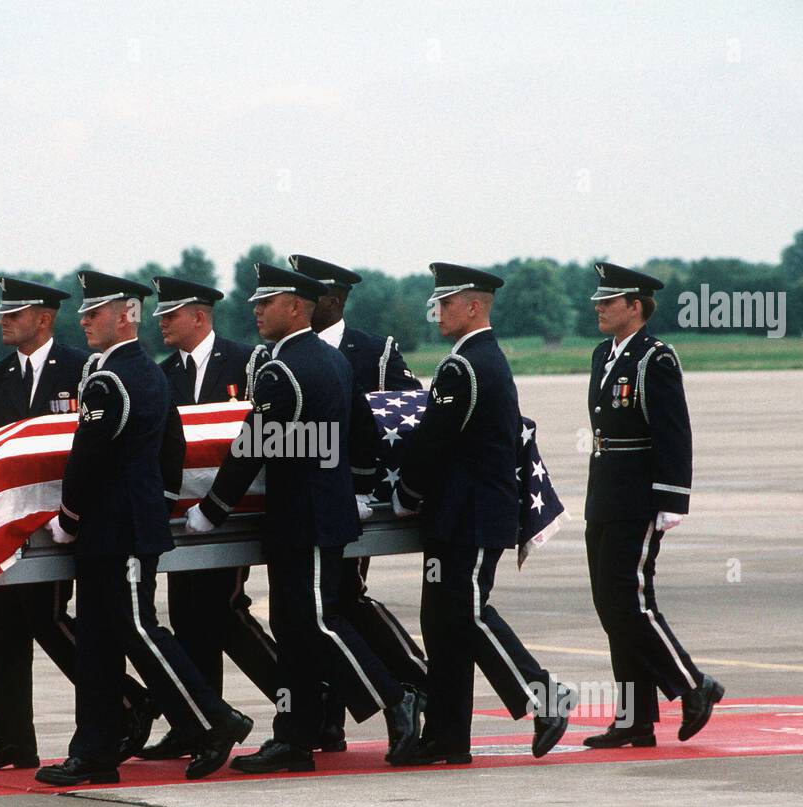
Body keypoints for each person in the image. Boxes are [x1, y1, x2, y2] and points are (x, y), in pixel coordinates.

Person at [185, 262, 419, 773]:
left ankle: (397, 699)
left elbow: (253, 446)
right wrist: (355, 486)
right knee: (292, 629)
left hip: (303, 518)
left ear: (295, 307)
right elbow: (362, 435)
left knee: (314, 621)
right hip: (317, 514)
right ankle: (294, 735)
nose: (255, 310)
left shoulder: (280, 368)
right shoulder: (332, 361)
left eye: (265, 303)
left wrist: (213, 508)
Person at [35, 272, 252, 786]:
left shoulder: (111, 379)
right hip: (124, 527)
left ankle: (215, 720)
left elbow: (86, 458)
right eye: (84, 312)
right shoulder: (150, 374)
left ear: (125, 315)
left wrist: (68, 519)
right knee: (98, 643)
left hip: (117, 533)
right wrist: (164, 500)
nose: (84, 320)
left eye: (96, 312)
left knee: (136, 629)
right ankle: (95, 751)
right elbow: (173, 444)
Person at [0, 276, 154, 772]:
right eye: (2, 313)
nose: (3, 320)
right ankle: (11, 740)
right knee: (1, 634)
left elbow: (86, 448)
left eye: (15, 313)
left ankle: (125, 704)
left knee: (49, 621)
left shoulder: (83, 368)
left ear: (43, 318)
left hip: (59, 523)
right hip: (5, 524)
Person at [393, 263, 574, 764]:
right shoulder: (479, 360)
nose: (438, 312)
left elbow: (432, 441)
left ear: (473, 306)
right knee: (441, 623)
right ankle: (447, 737)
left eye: (446, 303)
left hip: (469, 517)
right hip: (457, 517)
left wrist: (406, 490)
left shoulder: (465, 366)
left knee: (465, 614)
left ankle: (545, 697)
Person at [136, 274, 281, 761]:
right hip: (184, 517)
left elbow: (260, 434)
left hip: (233, 511)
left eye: (170, 316)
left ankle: (304, 704)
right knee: (185, 617)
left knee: (222, 613)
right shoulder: (160, 374)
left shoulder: (250, 361)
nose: (161, 325)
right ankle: (195, 725)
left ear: (199, 316)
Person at [287, 254, 428, 752]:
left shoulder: (372, 350)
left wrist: (371, 485)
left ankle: (411, 683)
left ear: (332, 299)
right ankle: (328, 718)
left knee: (339, 601)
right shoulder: (281, 352)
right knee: (326, 606)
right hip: (314, 501)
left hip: (356, 500)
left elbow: (406, 417)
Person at [581, 262, 723, 748]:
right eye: (598, 299)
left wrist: (672, 498)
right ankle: (633, 719)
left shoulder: (655, 359)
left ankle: (693, 684)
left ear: (635, 307)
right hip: (604, 493)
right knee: (611, 606)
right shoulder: (604, 354)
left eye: (609, 301)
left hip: (639, 497)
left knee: (630, 603)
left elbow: (673, 432)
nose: (598, 307)